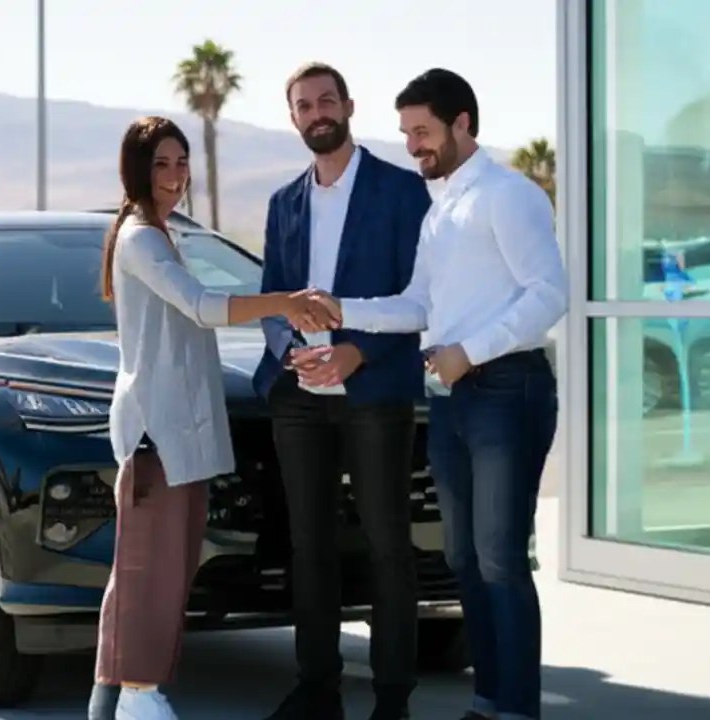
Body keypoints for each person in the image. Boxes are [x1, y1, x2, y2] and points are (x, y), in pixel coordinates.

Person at [301, 68, 568, 720]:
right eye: (405, 133)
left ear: (462, 124)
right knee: (463, 558)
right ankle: (486, 702)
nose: (412, 144)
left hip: (509, 390)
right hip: (452, 399)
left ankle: (517, 710)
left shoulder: (508, 195)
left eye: (422, 131)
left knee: (501, 558)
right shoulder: (441, 208)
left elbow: (550, 294)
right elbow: (418, 302)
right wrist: (341, 308)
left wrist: (467, 352)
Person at [90, 115, 338, 720]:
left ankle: (123, 703)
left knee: (158, 580)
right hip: (156, 438)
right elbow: (202, 307)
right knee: (144, 582)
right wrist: (283, 301)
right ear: (137, 172)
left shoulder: (162, 233)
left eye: (181, 163)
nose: (176, 176)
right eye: (161, 165)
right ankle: (138, 701)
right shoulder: (140, 238)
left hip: (178, 440)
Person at [253, 62, 433, 720]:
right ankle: (317, 688)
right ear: (294, 117)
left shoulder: (402, 192)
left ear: (349, 106)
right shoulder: (283, 204)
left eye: (327, 100)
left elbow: (420, 297)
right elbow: (274, 300)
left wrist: (357, 352)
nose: (317, 112)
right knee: (310, 545)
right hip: (300, 398)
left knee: (388, 542)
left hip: (376, 388)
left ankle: (392, 698)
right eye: (304, 104)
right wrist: (291, 353)